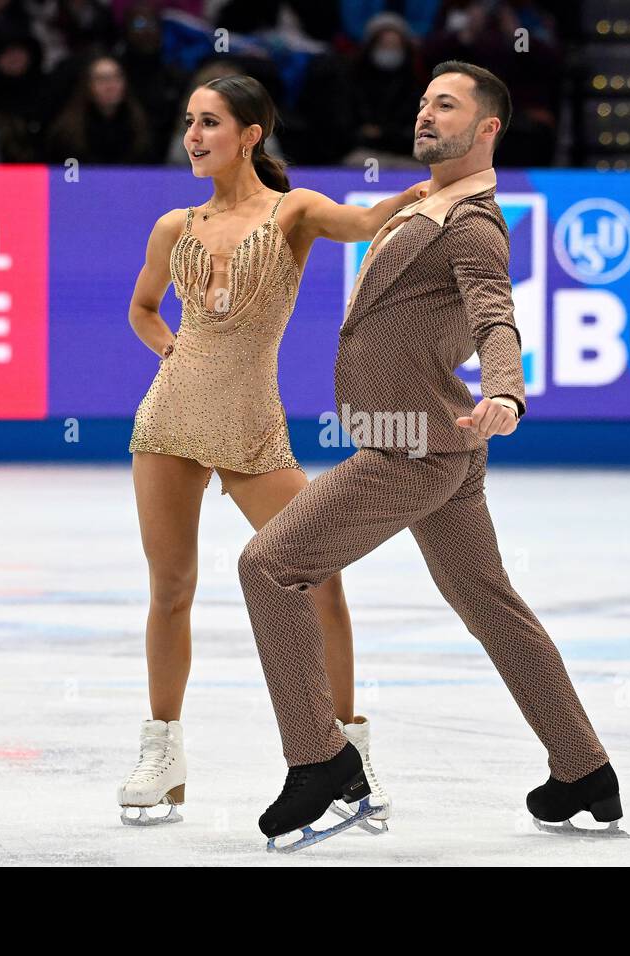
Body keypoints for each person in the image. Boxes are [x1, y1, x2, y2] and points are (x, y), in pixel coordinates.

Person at [237, 61, 621, 850]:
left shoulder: (472, 221)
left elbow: (495, 314)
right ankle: (584, 769)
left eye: (445, 106)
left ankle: (319, 757)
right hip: (444, 443)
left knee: (268, 565)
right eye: (422, 103)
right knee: (491, 606)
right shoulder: (426, 204)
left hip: (408, 449)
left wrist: (508, 391)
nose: (424, 115)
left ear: (487, 129)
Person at [117, 72, 429, 826]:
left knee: (317, 579)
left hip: (255, 427)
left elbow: (360, 221)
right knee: (171, 589)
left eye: (211, 123)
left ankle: (347, 751)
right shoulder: (172, 226)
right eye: (190, 122)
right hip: (168, 424)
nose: (194, 136)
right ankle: (163, 753)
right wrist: (171, 354)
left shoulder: (295, 212)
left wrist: (408, 203)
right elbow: (143, 308)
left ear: (251, 134)